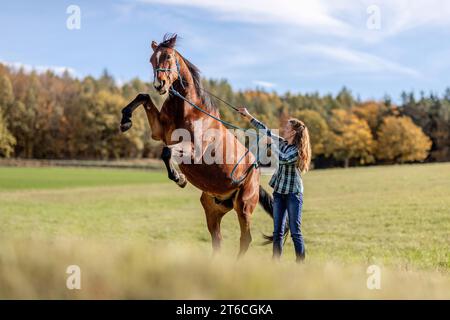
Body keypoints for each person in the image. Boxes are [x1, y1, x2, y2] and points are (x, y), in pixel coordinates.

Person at [238, 107, 311, 262]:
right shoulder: (282, 143)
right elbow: (264, 130)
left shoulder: (296, 150)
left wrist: (272, 145)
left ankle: (301, 263)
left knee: (295, 231)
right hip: (279, 193)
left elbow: (284, 158)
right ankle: (275, 263)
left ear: (293, 132)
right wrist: (248, 116)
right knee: (277, 231)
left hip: (293, 195)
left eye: (287, 128)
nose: (284, 129)